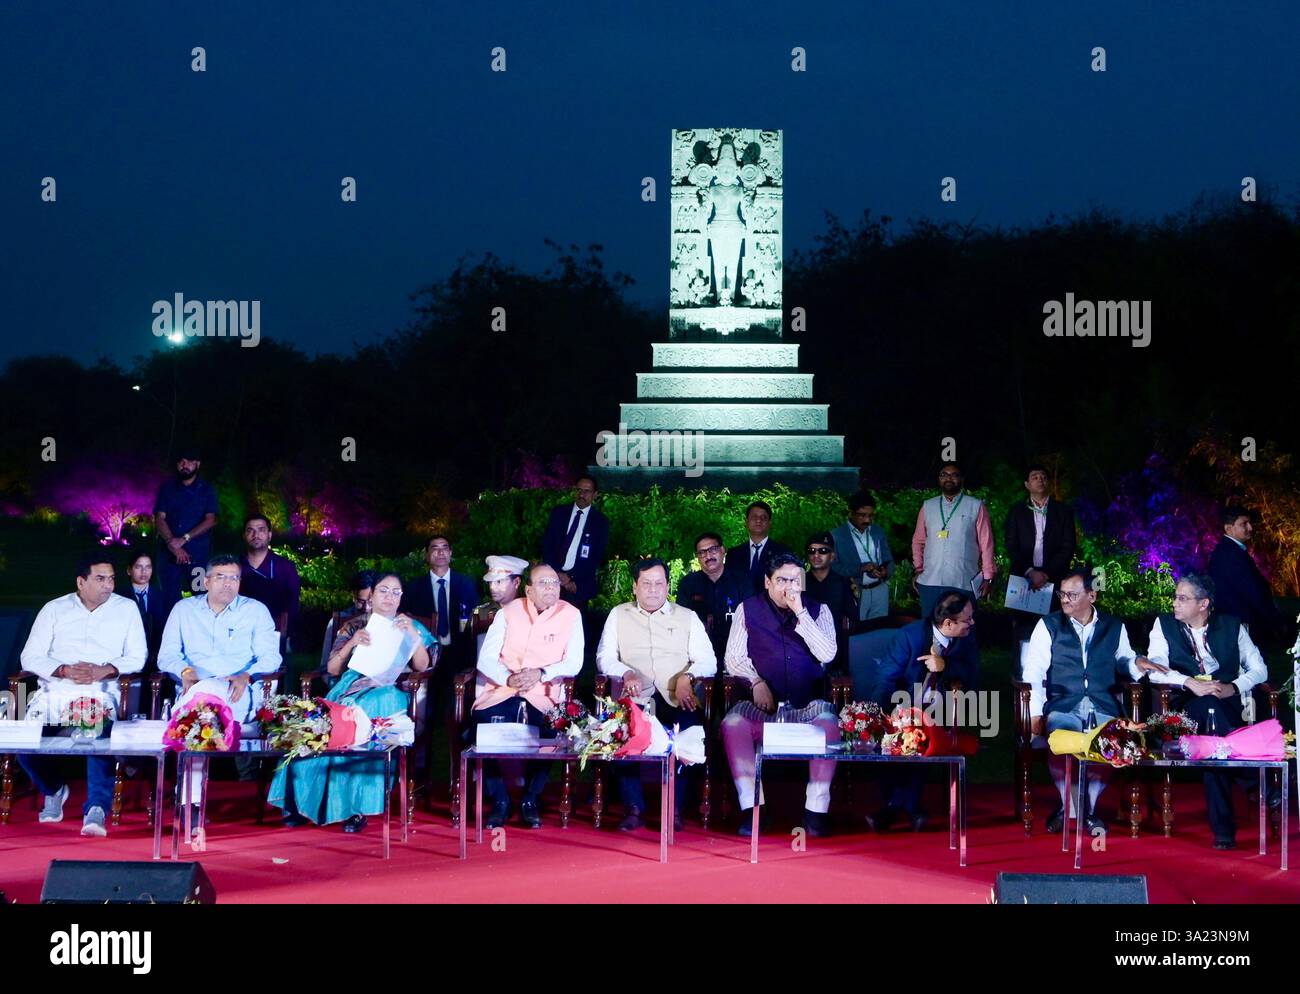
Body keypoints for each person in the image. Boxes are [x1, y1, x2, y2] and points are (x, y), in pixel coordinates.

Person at [269, 572, 434, 832]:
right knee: (323, 724)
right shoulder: (354, 626)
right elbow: (333, 669)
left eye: (395, 592)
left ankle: (355, 808)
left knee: (371, 711)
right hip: (350, 688)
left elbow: (423, 665)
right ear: (372, 595)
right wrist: (352, 645)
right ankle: (299, 802)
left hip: (389, 689)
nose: (389, 597)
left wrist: (413, 635)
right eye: (383, 590)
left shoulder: (410, 625)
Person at [17, 554, 147, 838]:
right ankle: (53, 789)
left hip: (100, 689)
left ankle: (96, 807)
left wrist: (106, 670)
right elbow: (29, 656)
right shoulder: (54, 609)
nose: (108, 585)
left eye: (112, 579)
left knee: (95, 726)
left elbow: (138, 656)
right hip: (57, 688)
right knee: (23, 740)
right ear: (81, 581)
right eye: (100, 579)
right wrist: (62, 669)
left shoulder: (126, 609)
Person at [1024, 569, 1159, 834]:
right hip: (1064, 703)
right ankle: (1069, 806)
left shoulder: (1113, 626)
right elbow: (1034, 672)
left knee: (1108, 744)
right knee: (1060, 742)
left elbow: (1123, 660)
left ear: (1092, 595)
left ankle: (1088, 809)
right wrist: (1035, 712)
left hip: (1102, 703)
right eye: (1062, 594)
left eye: (1072, 594)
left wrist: (1137, 664)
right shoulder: (1049, 625)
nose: (1065, 600)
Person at [1142, 573, 1270, 850]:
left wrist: (1233, 687)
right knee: (1207, 711)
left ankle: (1225, 833)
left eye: (1182, 598)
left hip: (1226, 708)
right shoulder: (1163, 626)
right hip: (1183, 709)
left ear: (1204, 604)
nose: (1174, 603)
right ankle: (1254, 781)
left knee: (1214, 742)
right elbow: (1154, 670)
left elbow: (1260, 670)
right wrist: (1189, 683)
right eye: (1176, 597)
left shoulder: (1232, 626)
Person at [157, 555, 282, 829]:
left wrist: (246, 675)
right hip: (194, 690)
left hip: (238, 695)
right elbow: (166, 657)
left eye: (234, 578)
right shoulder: (183, 609)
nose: (228, 584)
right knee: (204, 707)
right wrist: (185, 671)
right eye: (221, 577)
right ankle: (191, 801)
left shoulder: (255, 610)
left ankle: (189, 803)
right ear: (206, 580)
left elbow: (271, 658)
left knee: (198, 715)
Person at [721, 553, 839, 838]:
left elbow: (827, 654)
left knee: (829, 724)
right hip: (763, 707)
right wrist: (756, 681)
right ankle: (754, 809)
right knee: (732, 724)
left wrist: (801, 614)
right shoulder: (747, 609)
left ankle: (815, 812)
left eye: (795, 581)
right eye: (782, 580)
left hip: (805, 706)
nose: (789, 587)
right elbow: (733, 658)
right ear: (767, 582)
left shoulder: (818, 610)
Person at [596, 558, 717, 831]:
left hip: (677, 696)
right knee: (621, 731)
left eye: (659, 583)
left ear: (667, 586)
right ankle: (634, 807)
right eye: (646, 584)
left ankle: (673, 808)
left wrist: (689, 677)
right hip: (635, 697)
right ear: (635, 587)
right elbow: (604, 657)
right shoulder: (619, 614)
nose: (653, 589)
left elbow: (708, 660)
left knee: (687, 733)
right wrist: (625, 673)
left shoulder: (687, 616)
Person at [471, 564, 584, 828]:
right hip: (503, 689)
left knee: (549, 730)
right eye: (543, 583)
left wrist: (542, 673)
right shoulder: (508, 612)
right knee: (483, 728)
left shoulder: (571, 614)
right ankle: (499, 800)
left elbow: (574, 662)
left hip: (543, 693)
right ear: (529, 589)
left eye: (555, 583)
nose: (551, 588)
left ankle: (530, 799)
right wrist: (508, 678)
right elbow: (486, 658)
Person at [869, 590, 980, 832]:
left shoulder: (967, 638)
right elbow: (885, 678)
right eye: (967, 619)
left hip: (945, 708)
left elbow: (973, 676)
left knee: (926, 731)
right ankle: (910, 807)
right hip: (904, 705)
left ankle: (892, 808)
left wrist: (945, 666)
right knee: (902, 734)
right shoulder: (909, 636)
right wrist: (882, 718)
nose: (972, 622)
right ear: (948, 623)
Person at [1004, 465, 1077, 666]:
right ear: (1027, 484)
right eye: (1035, 476)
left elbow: (1068, 545)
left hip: (1053, 578)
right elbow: (1011, 544)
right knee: (1023, 631)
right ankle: (1022, 679)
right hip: (1023, 578)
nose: (1040, 479)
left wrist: (1045, 573)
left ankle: (1055, 675)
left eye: (1043, 476)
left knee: (1054, 627)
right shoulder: (1017, 511)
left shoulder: (1063, 511)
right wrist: (1030, 571)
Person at [911, 462, 996, 620]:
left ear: (962, 479)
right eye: (944, 475)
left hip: (963, 580)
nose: (949, 478)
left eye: (954, 475)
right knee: (931, 628)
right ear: (939, 479)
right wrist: (918, 568)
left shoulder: (975, 506)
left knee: (963, 630)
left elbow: (986, 543)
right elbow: (918, 540)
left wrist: (988, 576)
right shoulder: (928, 506)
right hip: (931, 580)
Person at [1208, 505, 1286, 647]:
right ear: (1228, 528)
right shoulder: (1230, 553)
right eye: (1244, 524)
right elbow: (1250, 590)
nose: (1250, 528)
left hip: (1240, 622)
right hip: (1243, 623)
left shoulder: (1231, 550)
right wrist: (1273, 619)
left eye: (1249, 523)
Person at [152, 448, 219, 611]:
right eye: (181, 461)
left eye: (189, 461)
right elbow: (159, 517)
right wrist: (171, 543)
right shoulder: (167, 488)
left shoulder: (207, 489)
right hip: (169, 554)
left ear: (197, 463)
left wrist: (184, 539)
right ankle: (168, 634)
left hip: (197, 555)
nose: (185, 465)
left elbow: (211, 519)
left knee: (201, 595)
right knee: (169, 599)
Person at [541, 475, 610, 615]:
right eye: (579, 490)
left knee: (573, 630)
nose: (582, 494)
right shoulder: (559, 513)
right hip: (552, 581)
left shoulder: (600, 522)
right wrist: (559, 575)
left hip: (578, 587)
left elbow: (597, 558)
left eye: (587, 491)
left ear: (595, 494)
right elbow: (547, 546)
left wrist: (570, 579)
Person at [676, 531, 750, 661]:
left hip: (738, 653)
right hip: (698, 655)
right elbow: (681, 621)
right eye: (702, 552)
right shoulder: (688, 583)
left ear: (722, 550)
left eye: (713, 549)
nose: (708, 556)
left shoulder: (742, 581)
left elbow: (752, 618)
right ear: (697, 557)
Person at [238, 514, 301, 650]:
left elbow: (293, 603)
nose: (256, 535)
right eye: (250, 530)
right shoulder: (234, 566)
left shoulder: (285, 567)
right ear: (244, 535)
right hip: (239, 631)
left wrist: (287, 634)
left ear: (269, 535)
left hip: (274, 632)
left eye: (261, 530)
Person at [831, 492, 894, 622]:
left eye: (871, 515)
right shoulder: (837, 536)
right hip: (856, 592)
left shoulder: (878, 531)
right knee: (857, 633)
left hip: (880, 589)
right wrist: (861, 568)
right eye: (862, 515)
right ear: (851, 513)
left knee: (879, 631)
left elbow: (889, 559)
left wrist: (886, 571)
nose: (867, 520)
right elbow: (834, 567)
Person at [724, 500, 794, 593]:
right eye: (754, 517)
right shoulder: (734, 553)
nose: (758, 520)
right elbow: (728, 584)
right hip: (740, 605)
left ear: (769, 523)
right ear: (746, 522)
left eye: (763, 517)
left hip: (772, 606)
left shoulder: (783, 552)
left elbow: (796, 580)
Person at [319, 569, 375, 676]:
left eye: (371, 602)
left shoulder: (383, 621)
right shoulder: (340, 621)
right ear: (353, 596)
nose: (366, 607)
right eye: (361, 601)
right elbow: (326, 664)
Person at [804, 532, 858, 638]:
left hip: (835, 643)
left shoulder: (843, 583)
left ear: (832, 556)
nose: (816, 555)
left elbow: (853, 618)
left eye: (823, 551)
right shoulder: (799, 582)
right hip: (805, 643)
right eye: (811, 551)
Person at [475, 555, 529, 653]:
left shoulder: (530, 611)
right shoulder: (480, 614)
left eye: (499, 581)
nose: (492, 587)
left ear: (516, 582)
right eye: (490, 582)